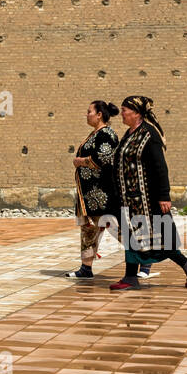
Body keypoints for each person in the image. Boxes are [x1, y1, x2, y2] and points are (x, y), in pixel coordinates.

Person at [109, 95, 187, 290]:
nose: (122, 114)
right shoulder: (130, 133)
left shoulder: (149, 135)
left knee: (158, 238)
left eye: (125, 110)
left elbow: (160, 166)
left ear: (136, 113)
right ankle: (132, 277)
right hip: (129, 200)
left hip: (147, 199)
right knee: (134, 238)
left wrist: (164, 195)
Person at [65, 101, 120, 279]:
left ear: (99, 115)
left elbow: (103, 159)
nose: (86, 114)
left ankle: (144, 261)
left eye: (89, 111)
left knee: (117, 229)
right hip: (88, 195)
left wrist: (80, 161)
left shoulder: (107, 134)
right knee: (88, 230)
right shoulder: (94, 134)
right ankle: (86, 268)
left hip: (102, 194)